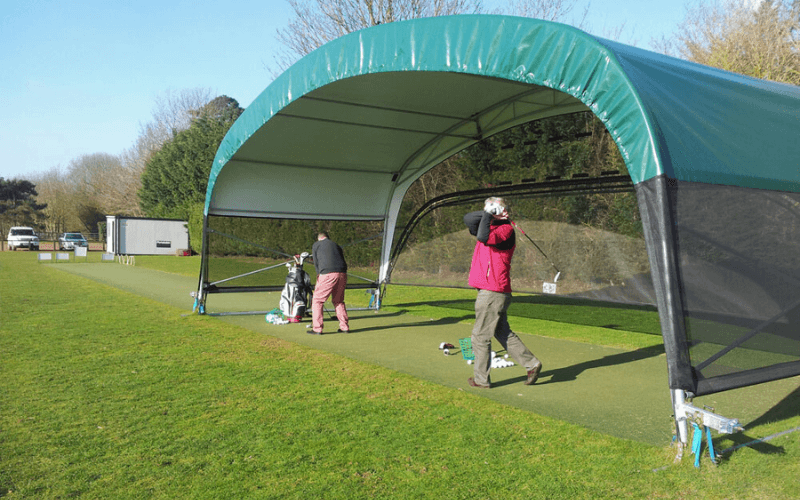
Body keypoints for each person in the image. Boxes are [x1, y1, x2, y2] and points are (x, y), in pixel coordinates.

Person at [463, 197, 542, 388]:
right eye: (487, 209)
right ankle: (532, 364)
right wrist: (490, 212)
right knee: (502, 332)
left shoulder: (505, 231)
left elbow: (482, 237)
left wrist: (496, 216)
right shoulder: (488, 225)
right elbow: (468, 219)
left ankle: (481, 380)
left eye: (492, 208)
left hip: (493, 291)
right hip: (494, 291)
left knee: (480, 336)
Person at [310, 232, 350, 334]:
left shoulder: (316, 245)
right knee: (339, 301)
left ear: (319, 238)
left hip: (327, 274)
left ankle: (317, 328)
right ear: (327, 237)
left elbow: (316, 263)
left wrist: (319, 276)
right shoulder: (336, 245)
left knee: (317, 301)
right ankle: (344, 327)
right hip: (342, 274)